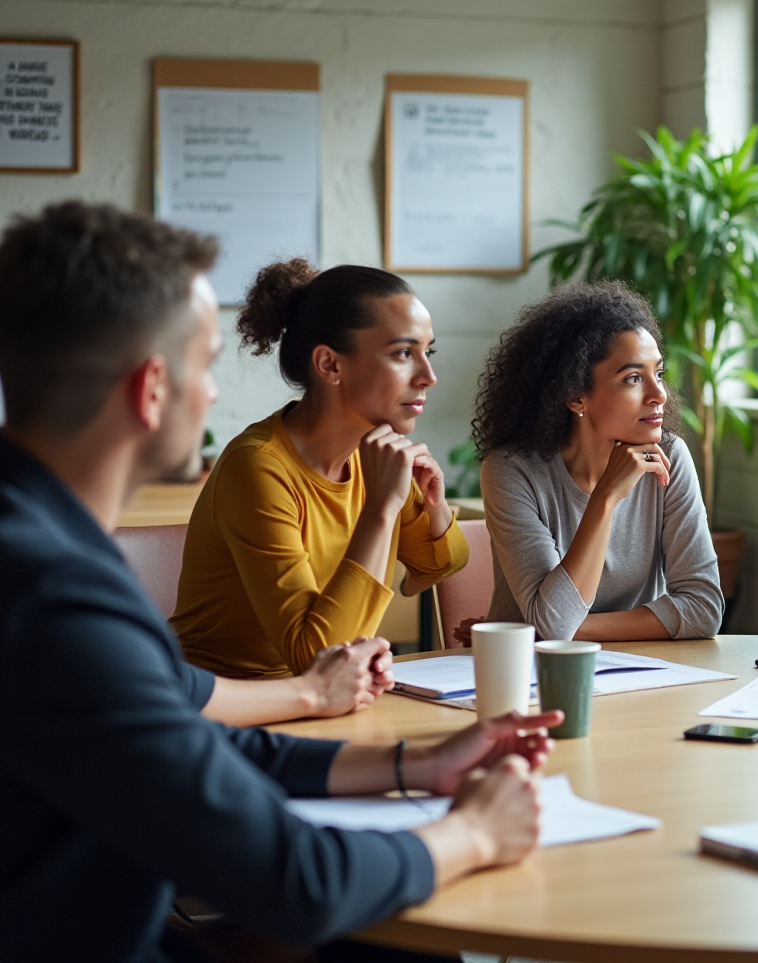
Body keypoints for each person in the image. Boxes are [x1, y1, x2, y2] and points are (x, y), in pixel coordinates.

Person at [0, 202, 562, 963]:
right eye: (205, 365)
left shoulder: (46, 546)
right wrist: (474, 833)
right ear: (152, 388)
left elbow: (201, 734)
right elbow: (298, 884)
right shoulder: (57, 603)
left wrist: (415, 763)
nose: (213, 395)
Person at [171, 259, 469, 679]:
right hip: (224, 701)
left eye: (428, 351)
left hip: (330, 697)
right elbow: (314, 658)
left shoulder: (372, 455)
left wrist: (433, 505)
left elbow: (442, 564)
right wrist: (382, 507)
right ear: (330, 364)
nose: (429, 376)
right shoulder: (257, 467)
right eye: (404, 353)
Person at [457, 281, 722, 644]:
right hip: (532, 671)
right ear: (575, 395)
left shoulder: (670, 457)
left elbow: (704, 609)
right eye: (633, 378)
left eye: (658, 374)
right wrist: (606, 498)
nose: (659, 394)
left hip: (644, 668)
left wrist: (558, 629)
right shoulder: (513, 471)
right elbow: (554, 624)